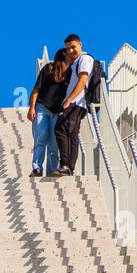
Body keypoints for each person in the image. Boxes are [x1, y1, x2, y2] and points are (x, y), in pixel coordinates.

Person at [50, 34, 95, 177]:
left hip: (76, 103)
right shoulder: (76, 62)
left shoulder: (85, 59)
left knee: (61, 129)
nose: (70, 51)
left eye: (73, 47)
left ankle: (66, 165)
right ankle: (68, 167)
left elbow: (82, 81)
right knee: (71, 132)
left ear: (80, 44)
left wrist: (69, 99)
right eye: (67, 48)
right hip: (75, 103)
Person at [27, 48, 70, 177]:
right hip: (42, 108)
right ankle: (37, 168)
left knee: (53, 143)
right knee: (40, 138)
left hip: (57, 112)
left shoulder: (70, 74)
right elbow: (36, 89)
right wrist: (32, 108)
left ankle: (52, 170)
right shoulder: (48, 69)